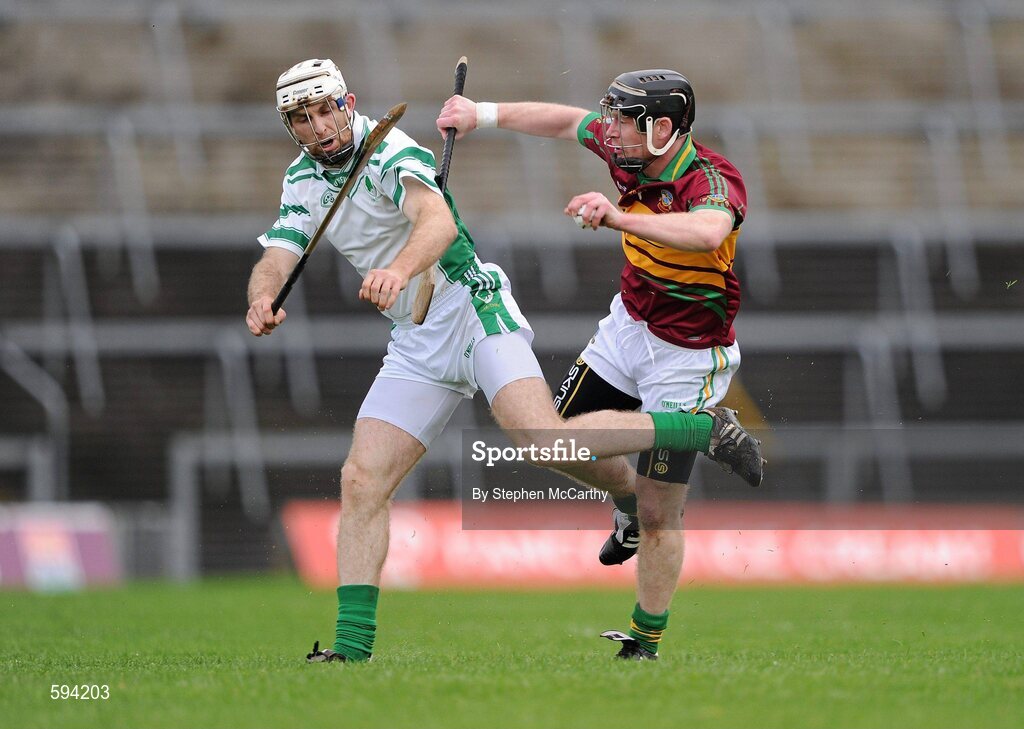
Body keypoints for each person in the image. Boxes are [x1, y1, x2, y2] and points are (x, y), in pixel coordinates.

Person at [247, 59, 763, 664]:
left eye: (324, 110)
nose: (317, 127)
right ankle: (350, 651)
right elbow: (280, 251)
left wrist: (399, 270)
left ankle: (651, 616)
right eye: (301, 119)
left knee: (586, 465)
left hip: (492, 311)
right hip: (452, 336)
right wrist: (262, 294)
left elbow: (437, 222)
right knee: (365, 479)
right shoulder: (301, 180)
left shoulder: (389, 151)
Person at [436, 68, 762, 660]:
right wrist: (480, 114)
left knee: (663, 510)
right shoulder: (626, 151)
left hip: (689, 355)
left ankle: (644, 642)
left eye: (625, 122)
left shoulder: (711, 178)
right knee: (553, 442)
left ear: (664, 129)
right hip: (627, 327)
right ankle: (646, 486)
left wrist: (617, 218)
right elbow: (566, 121)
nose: (610, 131)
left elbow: (707, 231)